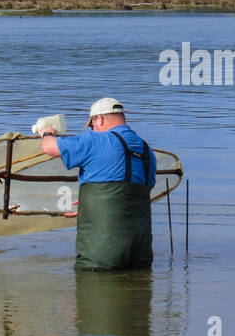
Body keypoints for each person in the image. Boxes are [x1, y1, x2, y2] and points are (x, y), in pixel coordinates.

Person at [37, 98, 156, 271]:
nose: (92, 129)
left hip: (102, 255)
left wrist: (47, 132)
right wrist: (92, 205)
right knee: (138, 284)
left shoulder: (94, 140)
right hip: (141, 252)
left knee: (93, 284)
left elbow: (49, 147)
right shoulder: (146, 150)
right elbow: (131, 193)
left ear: (99, 119)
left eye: (92, 125)